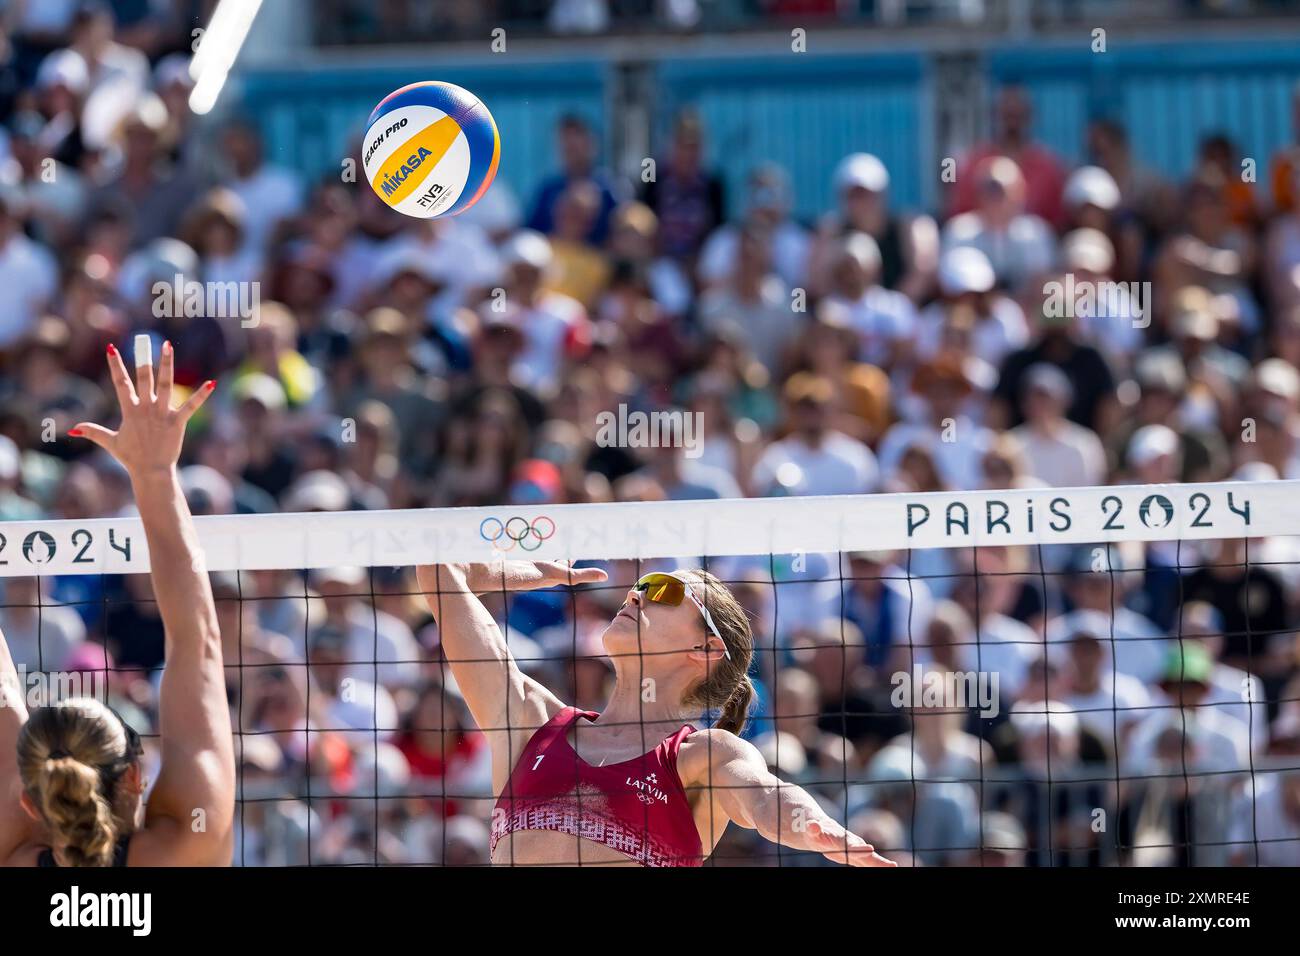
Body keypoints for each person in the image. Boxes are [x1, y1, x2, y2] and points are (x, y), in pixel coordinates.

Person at [415, 561, 896, 867]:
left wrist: (812, 827)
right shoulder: (533, 721)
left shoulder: (702, 755)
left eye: (663, 590)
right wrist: (526, 574)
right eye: (638, 586)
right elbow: (439, 569)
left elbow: (768, 798)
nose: (635, 594)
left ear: (705, 648)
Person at [1, 339, 234, 865]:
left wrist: (150, 474)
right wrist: (154, 472)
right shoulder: (186, 845)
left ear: (26, 800)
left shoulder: (12, 850)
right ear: (136, 775)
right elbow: (197, 642)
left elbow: (197, 645)